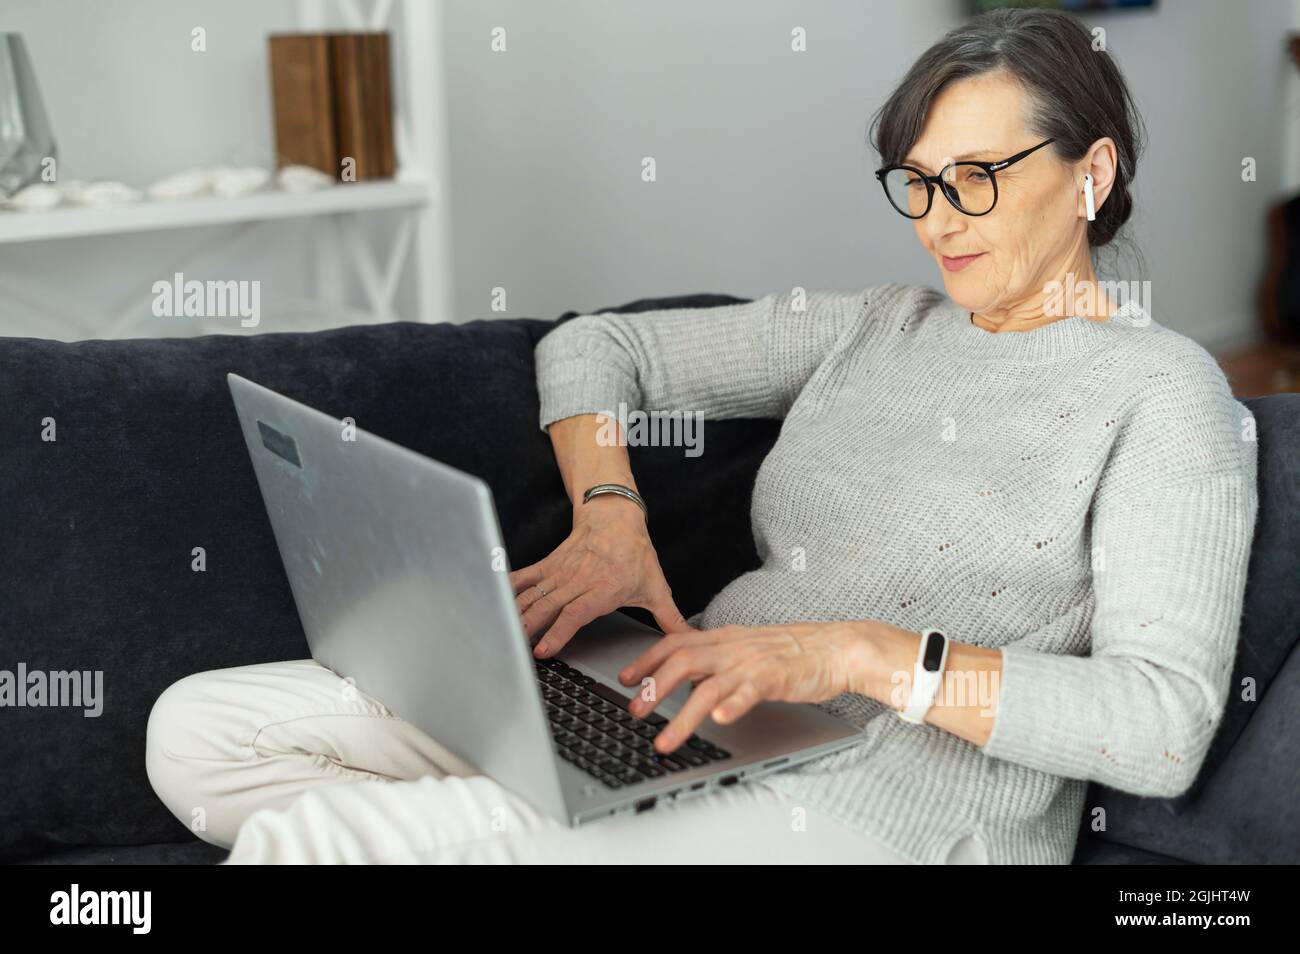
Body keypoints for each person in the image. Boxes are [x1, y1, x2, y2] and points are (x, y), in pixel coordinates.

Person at [145, 7, 1257, 864]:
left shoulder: (1164, 396)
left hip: (874, 816)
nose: (936, 221)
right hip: (688, 712)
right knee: (200, 733)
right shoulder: (879, 323)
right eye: (913, 183)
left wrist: (857, 653)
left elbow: (1159, 727)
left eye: (974, 178)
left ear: (1091, 174)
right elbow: (596, 348)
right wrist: (607, 517)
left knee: (323, 844)